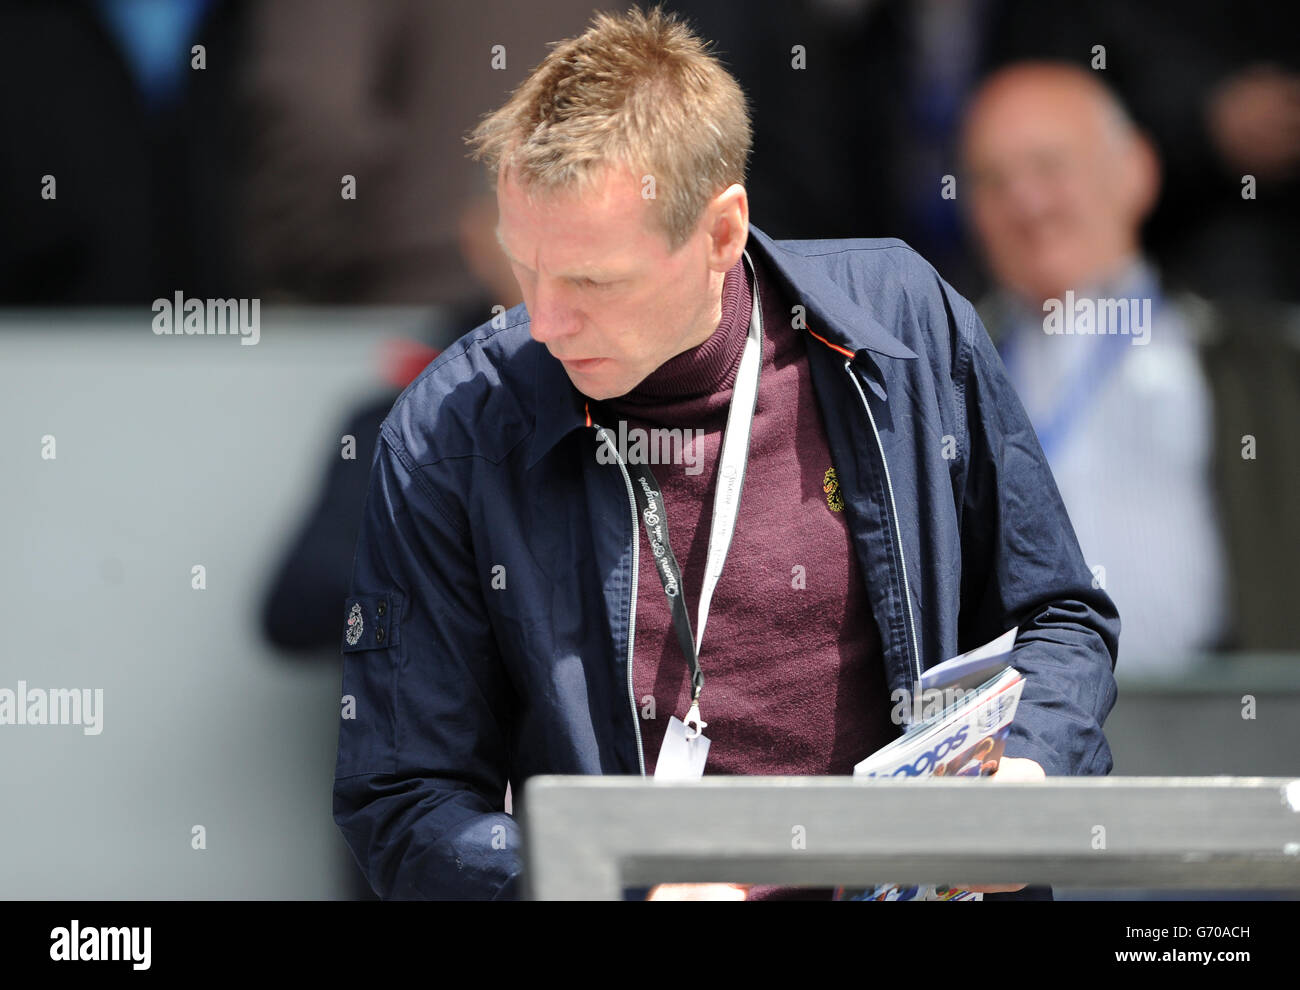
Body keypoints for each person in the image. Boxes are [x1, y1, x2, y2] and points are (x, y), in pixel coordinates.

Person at [332, 5, 1119, 901]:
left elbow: (1059, 616)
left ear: (720, 234)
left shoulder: (907, 324)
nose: (544, 322)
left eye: (593, 281)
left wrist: (1025, 771)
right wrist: (613, 890)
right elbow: (402, 799)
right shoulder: (452, 431)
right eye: (526, 267)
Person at [960, 62, 1230, 671]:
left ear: (1136, 170)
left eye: (1050, 168)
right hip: (1021, 738)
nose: (1025, 203)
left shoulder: (1244, 359)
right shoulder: (944, 367)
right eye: (993, 181)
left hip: (1220, 730)